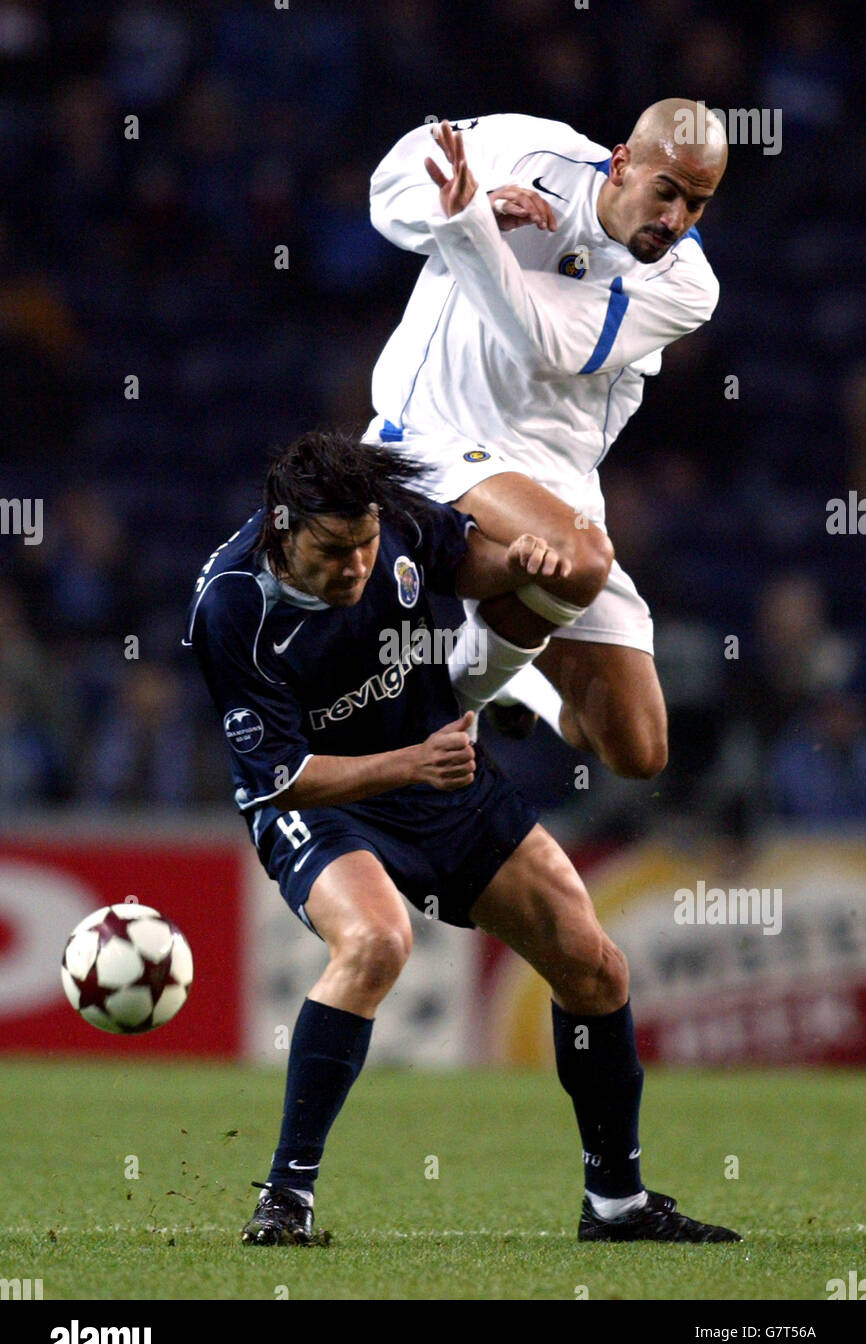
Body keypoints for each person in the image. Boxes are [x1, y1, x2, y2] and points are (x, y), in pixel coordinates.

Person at [185, 430, 740, 1246]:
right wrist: (410, 762)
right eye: (336, 553)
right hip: (327, 796)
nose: (358, 568)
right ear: (282, 527)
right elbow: (280, 776)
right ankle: (286, 1200)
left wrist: (524, 567)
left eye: (368, 546)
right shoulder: (232, 605)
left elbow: (465, 563)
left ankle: (616, 1205)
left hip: (437, 778)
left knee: (592, 964)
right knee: (376, 941)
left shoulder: (397, 523)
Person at [365, 100, 728, 773]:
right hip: (429, 436)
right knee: (579, 561)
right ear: (621, 164)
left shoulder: (685, 284)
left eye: (697, 205)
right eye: (667, 192)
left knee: (634, 749)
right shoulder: (528, 148)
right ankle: (439, 703)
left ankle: (507, 675)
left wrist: (471, 226)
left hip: (553, 486)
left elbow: (543, 345)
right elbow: (390, 187)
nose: (675, 220)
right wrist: (457, 210)